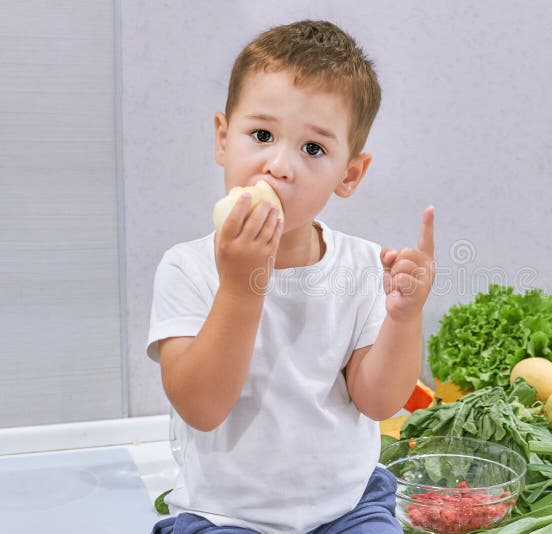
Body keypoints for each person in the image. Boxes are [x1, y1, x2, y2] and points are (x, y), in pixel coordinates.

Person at [146, 20, 435, 534]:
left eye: (313, 149)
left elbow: (379, 400)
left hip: (346, 508)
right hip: (226, 517)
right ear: (222, 137)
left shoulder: (362, 266)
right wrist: (240, 285)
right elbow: (202, 407)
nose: (279, 166)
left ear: (349, 174)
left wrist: (405, 317)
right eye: (261, 135)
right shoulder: (187, 268)